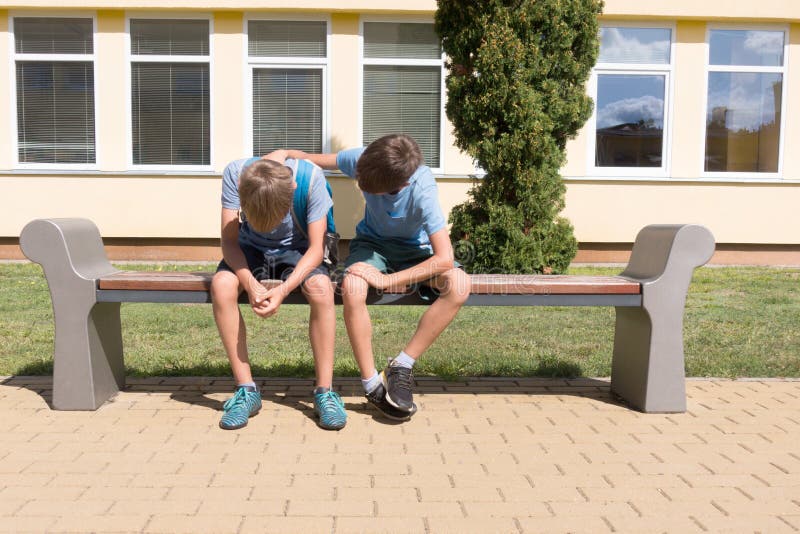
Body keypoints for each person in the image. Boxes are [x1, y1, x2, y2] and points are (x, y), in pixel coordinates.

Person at [281, 134, 471, 421]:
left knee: (459, 284)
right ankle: (371, 384)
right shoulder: (366, 159)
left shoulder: (422, 188)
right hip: (372, 246)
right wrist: (280, 154)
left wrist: (387, 281)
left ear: (400, 184)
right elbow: (308, 159)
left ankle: (401, 366)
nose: (360, 183)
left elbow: (444, 257)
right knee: (352, 286)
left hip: (415, 252)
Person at [211, 153, 345, 431]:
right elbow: (229, 242)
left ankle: (325, 392)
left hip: (300, 250)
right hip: (249, 249)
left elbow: (316, 249)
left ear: (291, 191)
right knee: (221, 285)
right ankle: (246, 390)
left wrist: (283, 290)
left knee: (321, 288)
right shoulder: (236, 175)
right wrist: (250, 283)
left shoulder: (310, 180)